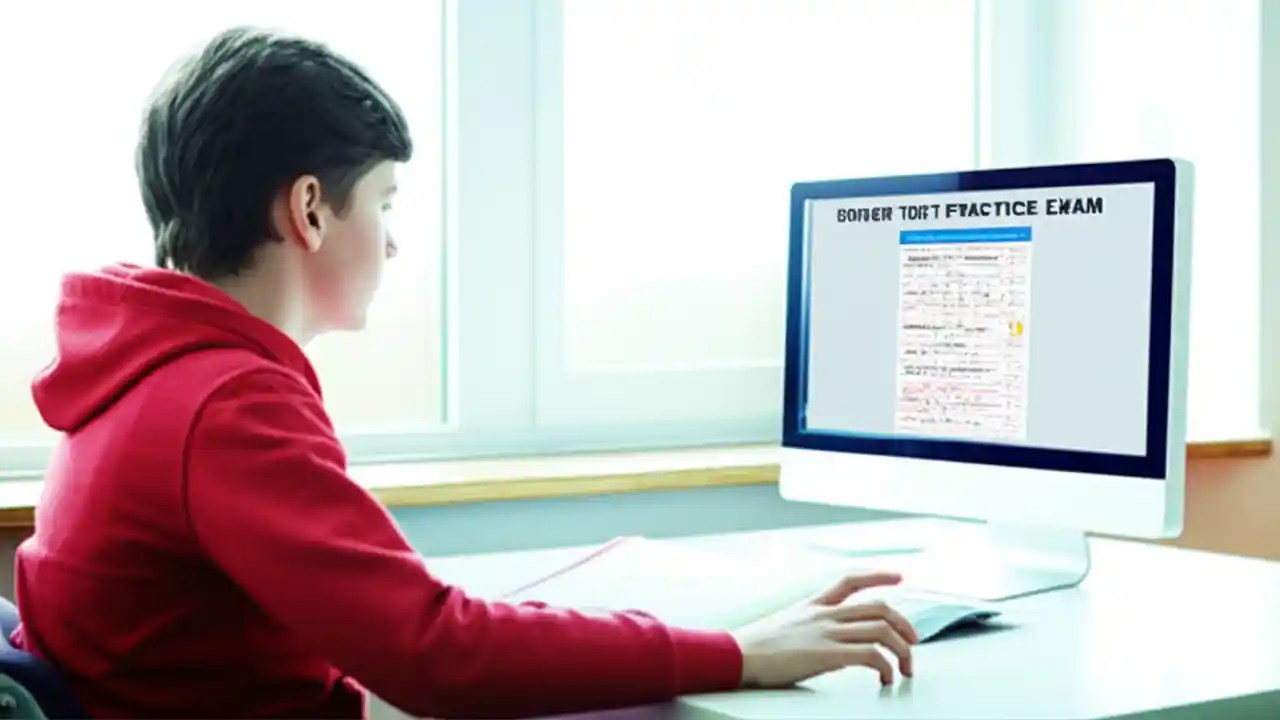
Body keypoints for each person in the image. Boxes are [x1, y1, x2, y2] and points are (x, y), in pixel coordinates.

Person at [10, 26, 917, 718]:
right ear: (311, 210)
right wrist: (740, 651)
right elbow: (436, 656)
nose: (396, 240)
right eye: (386, 202)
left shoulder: (142, 366)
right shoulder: (223, 403)